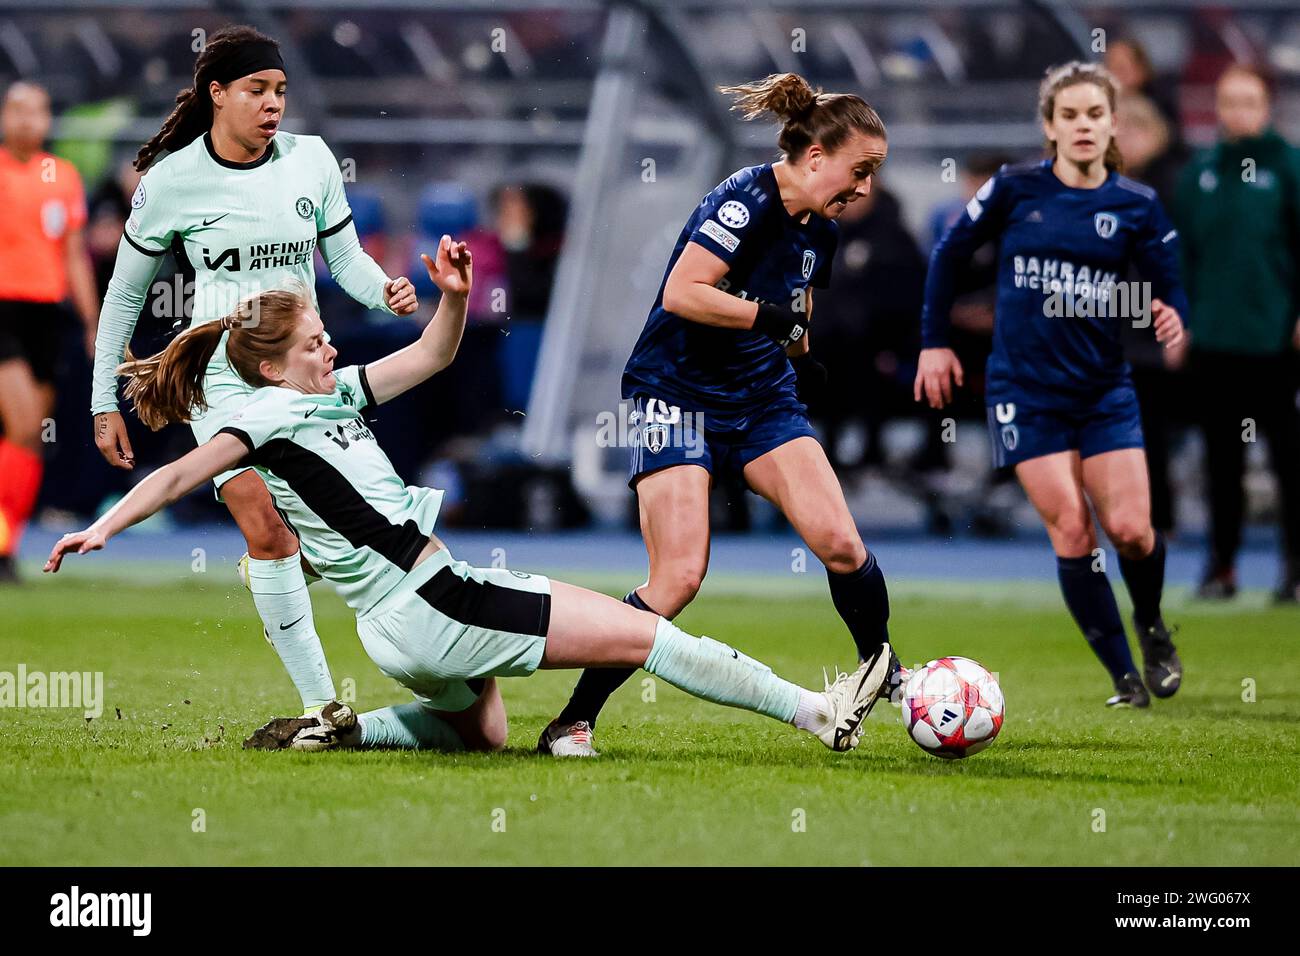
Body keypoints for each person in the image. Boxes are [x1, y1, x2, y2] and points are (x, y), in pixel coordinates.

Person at [45, 240, 895, 756]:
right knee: (647, 635)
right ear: (272, 366)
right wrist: (105, 524)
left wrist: (452, 298)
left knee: (482, 732)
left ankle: (353, 728)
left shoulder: (324, 393)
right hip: (434, 600)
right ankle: (819, 713)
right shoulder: (264, 415)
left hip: (395, 635)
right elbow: (176, 475)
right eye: (314, 340)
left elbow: (431, 359)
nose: (330, 342)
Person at [537, 72, 903, 757]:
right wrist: (768, 320)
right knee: (677, 579)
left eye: (874, 173)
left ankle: (883, 672)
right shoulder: (742, 201)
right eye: (861, 170)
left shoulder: (818, 228)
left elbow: (797, 311)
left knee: (843, 545)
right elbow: (683, 293)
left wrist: (799, 353)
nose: (866, 188)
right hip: (676, 395)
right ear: (817, 158)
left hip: (764, 401)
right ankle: (572, 720)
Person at [89, 25, 418, 716]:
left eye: (281, 92)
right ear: (218, 94)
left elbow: (347, 262)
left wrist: (385, 290)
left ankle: (321, 575)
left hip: (304, 367)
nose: (273, 105)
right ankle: (322, 708)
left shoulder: (312, 160)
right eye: (257, 90)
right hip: (222, 376)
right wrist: (102, 402)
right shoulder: (171, 182)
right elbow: (122, 296)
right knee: (265, 527)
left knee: (366, 522)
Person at [917, 61, 1187, 708]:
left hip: (1102, 392)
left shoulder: (1137, 205)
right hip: (1024, 392)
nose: (1084, 125)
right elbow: (949, 256)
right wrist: (933, 343)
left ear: (1112, 123)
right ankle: (1125, 679)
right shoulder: (1014, 190)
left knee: (1132, 531)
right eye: (1070, 115)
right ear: (1050, 126)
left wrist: (1168, 309)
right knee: (1071, 528)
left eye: (1095, 114)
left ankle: (1150, 625)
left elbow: (1167, 279)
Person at [1173, 64, 1300, 602]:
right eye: (1228, 100)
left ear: (1266, 106)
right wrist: (1177, 321)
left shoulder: (1289, 167)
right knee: (1221, 462)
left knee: (1289, 460)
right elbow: (1180, 256)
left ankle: (1294, 569)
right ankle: (1221, 566)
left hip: (1276, 340)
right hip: (1213, 341)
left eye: (1248, 101)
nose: (1237, 111)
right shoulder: (1200, 172)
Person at [0, 82, 99, 581]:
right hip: (2, 310)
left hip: (46, 314)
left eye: (35, 111)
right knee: (19, 426)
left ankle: (7, 544)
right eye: (16, 110)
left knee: (29, 440)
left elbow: (73, 256)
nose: (25, 121)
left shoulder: (62, 176)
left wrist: (93, 322)